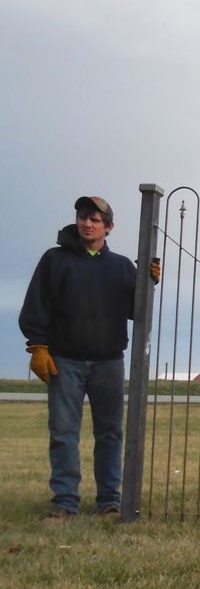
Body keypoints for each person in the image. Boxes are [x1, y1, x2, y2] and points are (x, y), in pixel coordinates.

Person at [19, 196, 159, 523]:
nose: (87, 223)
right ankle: (64, 502)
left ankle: (109, 502)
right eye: (83, 217)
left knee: (110, 434)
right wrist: (37, 346)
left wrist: (148, 283)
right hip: (63, 361)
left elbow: (135, 312)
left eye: (95, 219)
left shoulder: (122, 266)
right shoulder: (54, 260)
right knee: (63, 433)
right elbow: (36, 304)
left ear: (108, 227)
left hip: (109, 363)